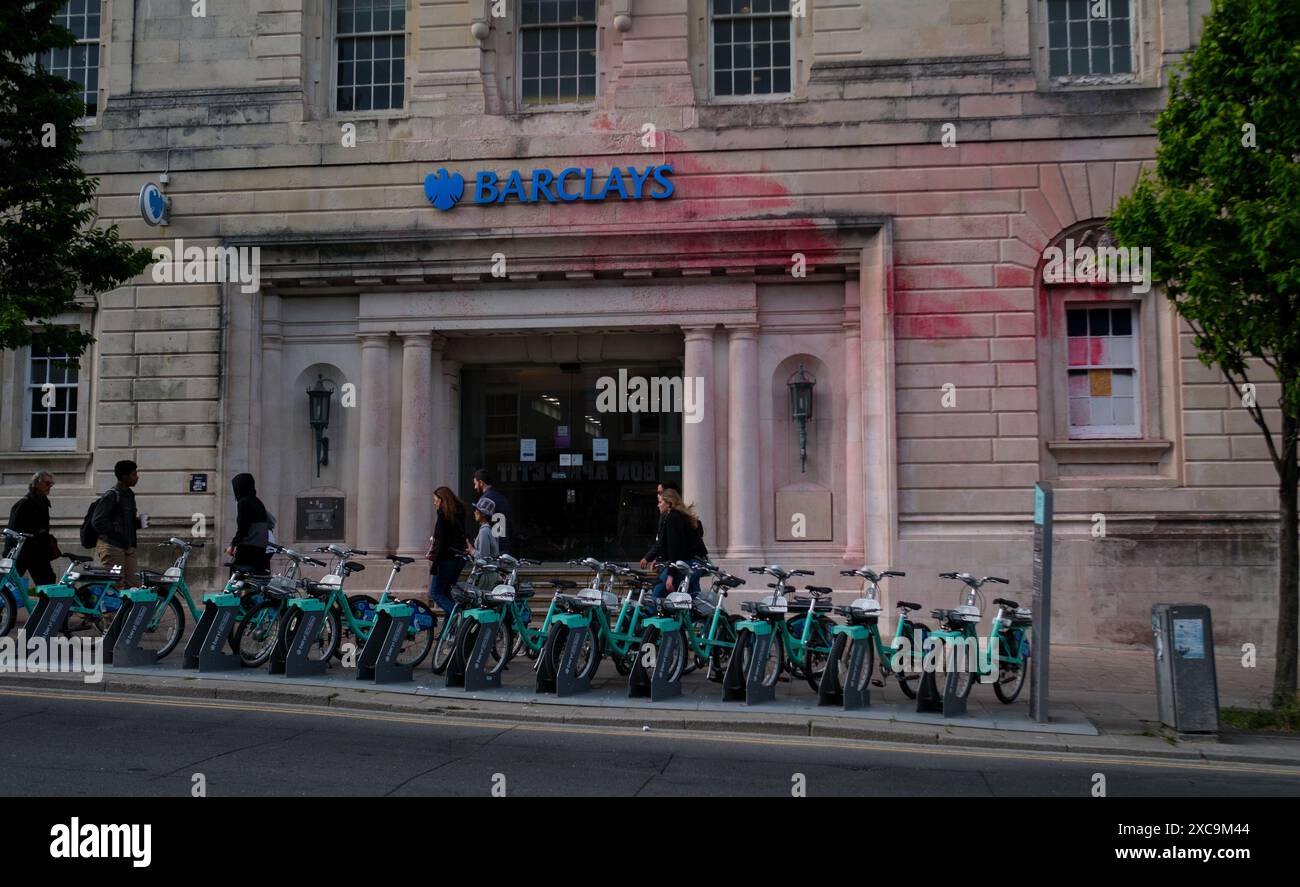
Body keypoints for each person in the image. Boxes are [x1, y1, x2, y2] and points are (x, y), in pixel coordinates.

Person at [91, 460, 144, 588]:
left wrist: (138, 523)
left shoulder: (129, 495)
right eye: (134, 474)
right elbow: (97, 521)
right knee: (115, 584)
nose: (137, 477)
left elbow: (126, 521)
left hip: (127, 545)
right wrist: (117, 529)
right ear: (124, 477)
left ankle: (128, 608)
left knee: (134, 584)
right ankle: (113, 608)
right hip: (112, 545)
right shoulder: (112, 495)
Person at [4, 471, 60, 587]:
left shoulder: (42, 502)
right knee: (7, 585)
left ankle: (44, 605)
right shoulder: (24, 504)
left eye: (52, 484)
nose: (50, 487)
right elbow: (12, 530)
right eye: (47, 483)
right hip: (23, 552)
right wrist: (9, 553)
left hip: (38, 553)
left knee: (48, 582)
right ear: (36, 484)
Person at [652, 488, 709, 600]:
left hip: (685, 565)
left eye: (660, 502)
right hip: (696, 564)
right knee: (693, 601)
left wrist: (670, 575)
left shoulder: (673, 518)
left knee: (657, 596)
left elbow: (675, 549)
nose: (658, 505)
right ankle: (710, 616)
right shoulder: (683, 517)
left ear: (669, 503)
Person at [426, 486, 469, 616]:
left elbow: (442, 544)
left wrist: (434, 566)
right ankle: (448, 632)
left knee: (435, 593)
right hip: (458, 559)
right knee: (446, 593)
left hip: (447, 560)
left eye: (436, 500)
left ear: (442, 500)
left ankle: (458, 617)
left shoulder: (444, 516)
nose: (434, 503)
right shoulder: (457, 515)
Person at [225, 473, 275, 575]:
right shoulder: (258, 502)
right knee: (255, 579)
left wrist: (233, 545)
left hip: (247, 547)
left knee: (236, 577)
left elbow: (243, 528)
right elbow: (271, 522)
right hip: (260, 548)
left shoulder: (243, 502)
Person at [639, 480, 680, 570]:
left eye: (660, 493)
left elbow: (668, 545)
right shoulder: (665, 515)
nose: (658, 496)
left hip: (675, 566)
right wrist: (658, 559)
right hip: (669, 563)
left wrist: (648, 558)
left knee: (660, 584)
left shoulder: (673, 517)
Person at [471, 469, 511, 554]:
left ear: (481, 482)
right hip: (505, 544)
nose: (475, 487)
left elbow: (483, 522)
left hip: (494, 548)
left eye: (475, 484)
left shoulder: (485, 499)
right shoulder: (502, 497)